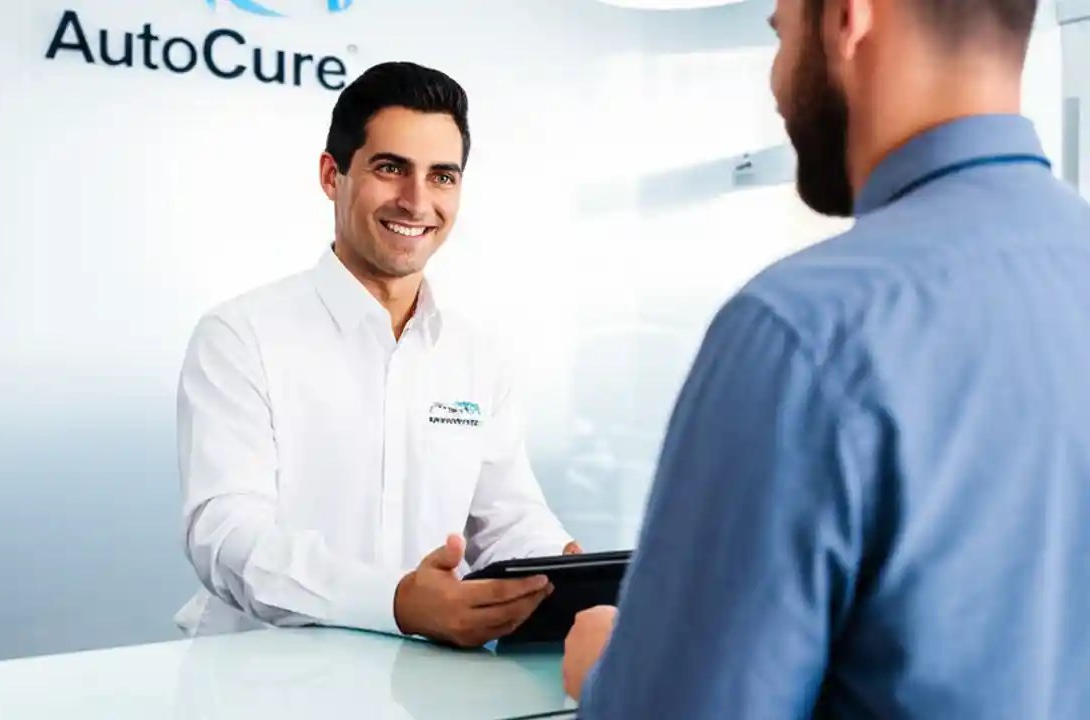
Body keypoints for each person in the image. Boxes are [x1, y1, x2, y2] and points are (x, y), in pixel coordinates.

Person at [563, 0, 1090, 716]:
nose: (777, 83)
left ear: (848, 18)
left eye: (779, 35)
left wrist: (609, 673)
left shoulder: (803, 332)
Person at [174, 61, 579, 649]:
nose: (417, 201)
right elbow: (226, 535)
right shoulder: (239, 336)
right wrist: (395, 602)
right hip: (260, 685)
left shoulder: (476, 356)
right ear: (331, 175)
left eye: (442, 176)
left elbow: (509, 517)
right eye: (391, 169)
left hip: (424, 690)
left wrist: (570, 575)